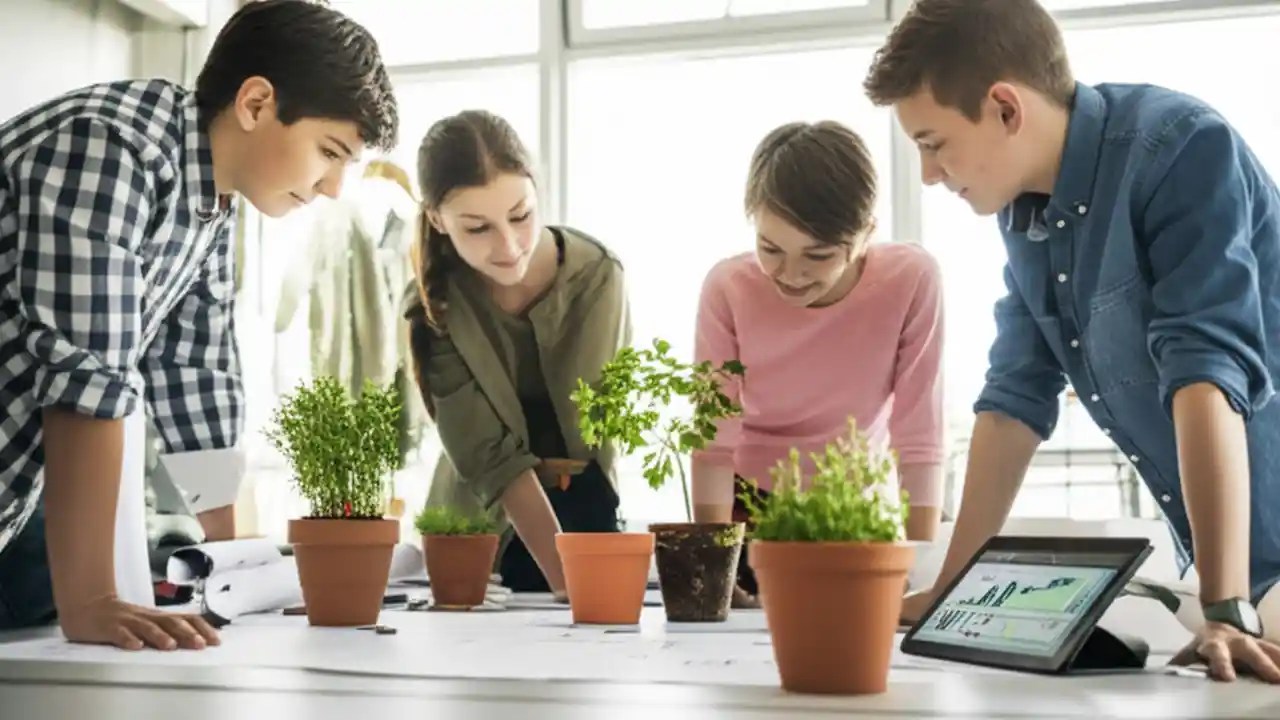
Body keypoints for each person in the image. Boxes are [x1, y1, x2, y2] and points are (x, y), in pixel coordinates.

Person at [864, 0, 1280, 683]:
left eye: (932, 143)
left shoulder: (1179, 148)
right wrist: (950, 591)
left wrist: (1227, 606)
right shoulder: (1026, 213)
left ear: (1004, 108)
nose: (929, 174)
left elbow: (1207, 372)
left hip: (1250, 579)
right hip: (1237, 577)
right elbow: (1012, 399)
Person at [0, 0, 397, 649]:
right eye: (330, 151)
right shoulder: (110, 147)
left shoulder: (214, 203)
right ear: (256, 103)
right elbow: (85, 375)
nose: (332, 188)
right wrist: (95, 600)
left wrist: (239, 566)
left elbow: (195, 377)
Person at [690, 120, 945, 606]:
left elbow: (919, 436)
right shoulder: (727, 288)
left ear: (866, 233)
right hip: (745, 509)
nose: (790, 274)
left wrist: (918, 569)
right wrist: (716, 569)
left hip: (853, 510)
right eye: (770, 249)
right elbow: (713, 441)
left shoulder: (912, 279)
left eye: (819, 254)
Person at [404, 110, 630, 597]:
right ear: (438, 221)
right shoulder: (432, 306)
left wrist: (589, 569)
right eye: (477, 228)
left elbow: (595, 438)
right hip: (477, 541)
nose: (508, 247)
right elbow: (490, 459)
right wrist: (568, 581)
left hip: (583, 519)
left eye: (521, 216)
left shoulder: (598, 276)